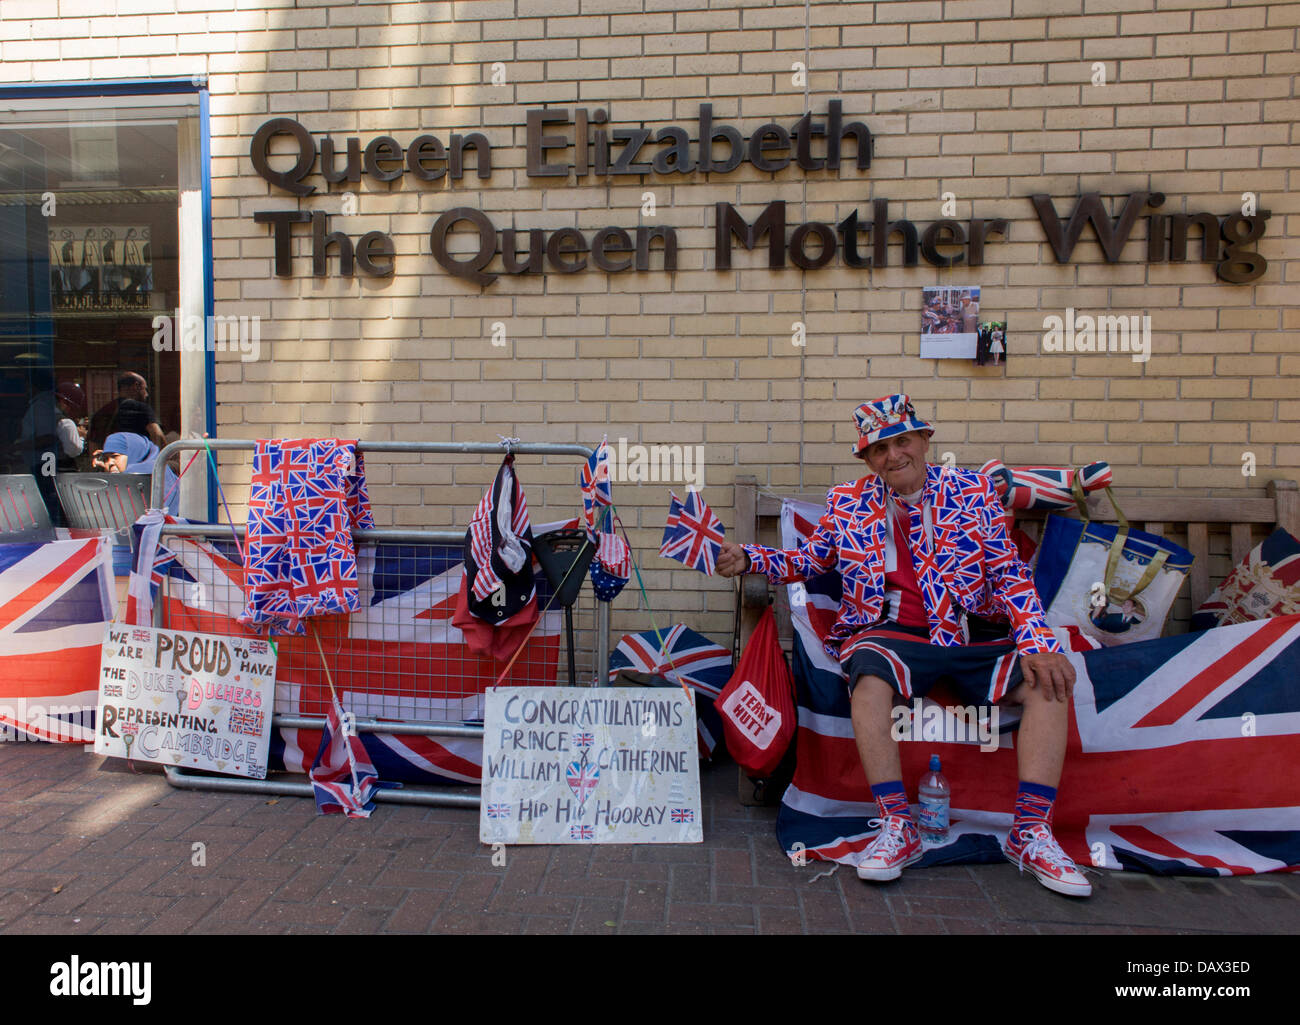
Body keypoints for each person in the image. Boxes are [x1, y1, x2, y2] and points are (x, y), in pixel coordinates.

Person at [716, 395, 1091, 898]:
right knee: (869, 678)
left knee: (1047, 682)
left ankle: (1030, 833)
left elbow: (1008, 575)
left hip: (967, 628)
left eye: (902, 441)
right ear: (867, 460)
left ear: (924, 441)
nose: (893, 455)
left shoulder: (973, 491)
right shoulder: (847, 501)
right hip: (889, 630)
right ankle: (898, 825)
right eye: (878, 449)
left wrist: (1038, 641)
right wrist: (750, 559)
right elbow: (810, 561)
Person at [92, 431, 179, 514]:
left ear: (133, 452)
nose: (109, 463)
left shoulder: (147, 470)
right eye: (106, 459)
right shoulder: (158, 466)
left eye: (115, 456)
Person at [89, 371, 165, 450]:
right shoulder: (142, 409)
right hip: (138, 459)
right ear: (135, 386)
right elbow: (158, 437)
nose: (146, 394)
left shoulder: (102, 412)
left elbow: (93, 445)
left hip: (112, 459)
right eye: (144, 389)